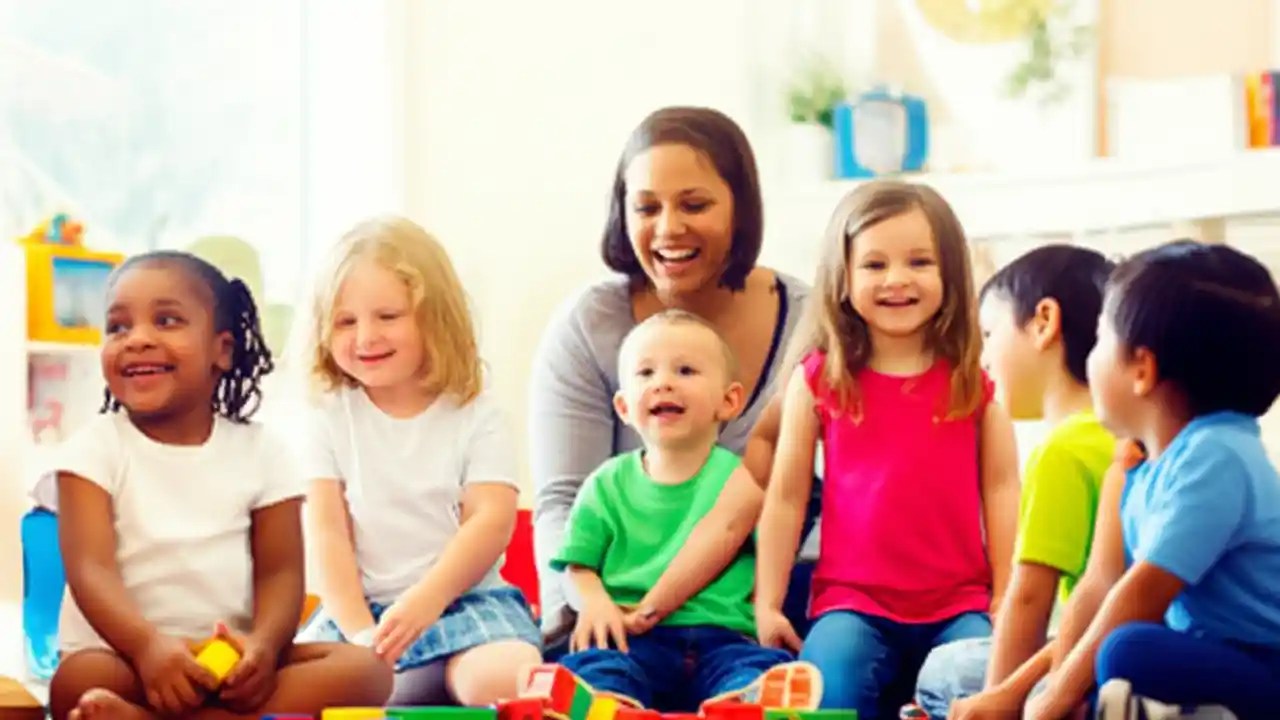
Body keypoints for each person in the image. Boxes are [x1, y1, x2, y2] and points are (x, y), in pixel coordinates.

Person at [44, 251, 391, 720]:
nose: (138, 339)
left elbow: (281, 574)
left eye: (166, 320)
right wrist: (149, 649)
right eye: (118, 327)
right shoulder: (93, 449)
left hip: (226, 658)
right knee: (78, 681)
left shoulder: (264, 452)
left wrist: (264, 650)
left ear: (221, 350)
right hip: (125, 656)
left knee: (368, 670)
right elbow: (90, 570)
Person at [529, 106, 815, 647]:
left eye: (695, 204)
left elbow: (834, 503)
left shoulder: (811, 323)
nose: (668, 229)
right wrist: (587, 615)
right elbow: (561, 505)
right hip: (618, 617)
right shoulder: (587, 326)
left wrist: (766, 605)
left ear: (741, 208)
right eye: (646, 207)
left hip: (762, 611)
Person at [756, 181, 1021, 719]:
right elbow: (785, 497)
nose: (897, 279)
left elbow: (1002, 488)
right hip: (851, 603)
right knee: (822, 698)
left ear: (950, 271)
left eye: (919, 261)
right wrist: (766, 600)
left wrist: (1007, 594)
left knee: (992, 695)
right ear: (843, 276)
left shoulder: (975, 380)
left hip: (960, 604)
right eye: (874, 265)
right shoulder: (820, 380)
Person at [1012, 240, 1280, 720]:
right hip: (1211, 651)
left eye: (1098, 340)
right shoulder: (1145, 465)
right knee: (1105, 652)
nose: (1089, 359)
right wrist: (1051, 688)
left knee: (1124, 649)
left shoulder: (1217, 455)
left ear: (1141, 369)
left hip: (1267, 661)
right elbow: (1099, 588)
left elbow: (1143, 592)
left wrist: (1052, 701)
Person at [296, 216, 543, 706]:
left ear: (435, 318)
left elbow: (490, 523)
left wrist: (425, 602)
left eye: (388, 316)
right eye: (346, 321)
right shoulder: (329, 418)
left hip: (466, 605)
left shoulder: (477, 413)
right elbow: (328, 536)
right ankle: (403, 687)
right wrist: (361, 634)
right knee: (294, 688)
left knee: (503, 679)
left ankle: (420, 685)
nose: (366, 336)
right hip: (361, 613)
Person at [551, 310, 820, 711]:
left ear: (729, 401)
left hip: (724, 636)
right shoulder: (606, 484)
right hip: (633, 638)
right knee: (596, 664)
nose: (663, 383)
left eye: (686, 370)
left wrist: (769, 611)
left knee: (757, 665)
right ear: (624, 407)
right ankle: (608, 703)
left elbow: (772, 556)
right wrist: (594, 603)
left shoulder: (742, 480)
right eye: (645, 373)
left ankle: (746, 700)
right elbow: (577, 564)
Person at [912, 245, 1116, 718]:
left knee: (945, 671)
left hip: (1086, 660)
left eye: (989, 332)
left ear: (1044, 322)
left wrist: (999, 696)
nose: (982, 357)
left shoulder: (1063, 449)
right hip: (1100, 644)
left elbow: (1030, 595)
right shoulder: (1119, 437)